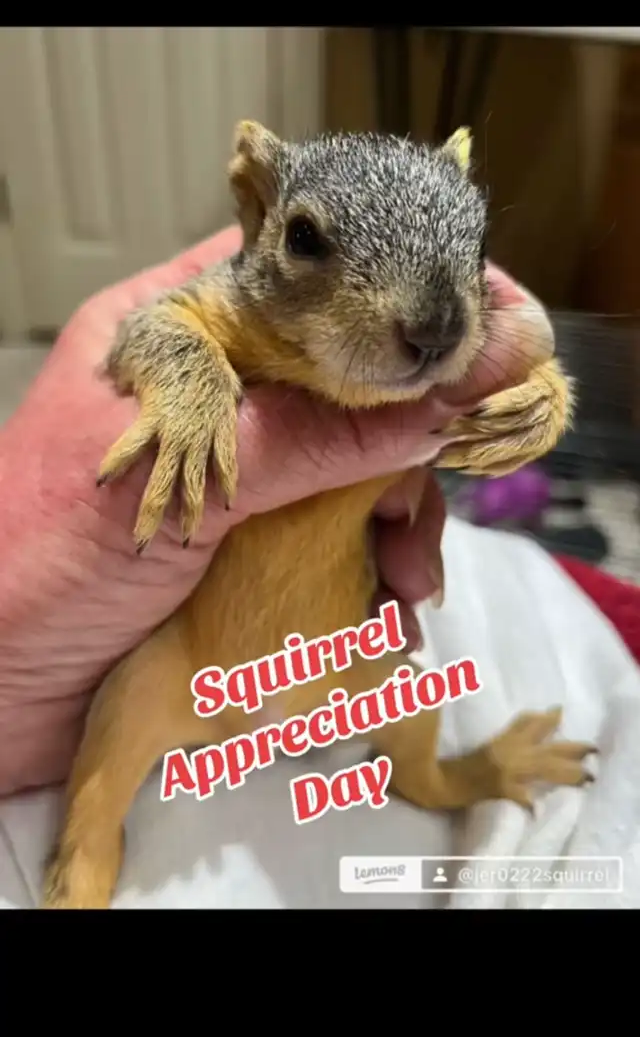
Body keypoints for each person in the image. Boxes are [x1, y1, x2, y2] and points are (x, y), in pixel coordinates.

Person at [5, 227, 635, 911]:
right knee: (127, 712)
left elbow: (517, 369)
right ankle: (84, 863)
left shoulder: (433, 370)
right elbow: (150, 329)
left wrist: (536, 401)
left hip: (334, 667)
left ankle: (442, 779)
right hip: (191, 670)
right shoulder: (234, 320)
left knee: (408, 685)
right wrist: (192, 383)